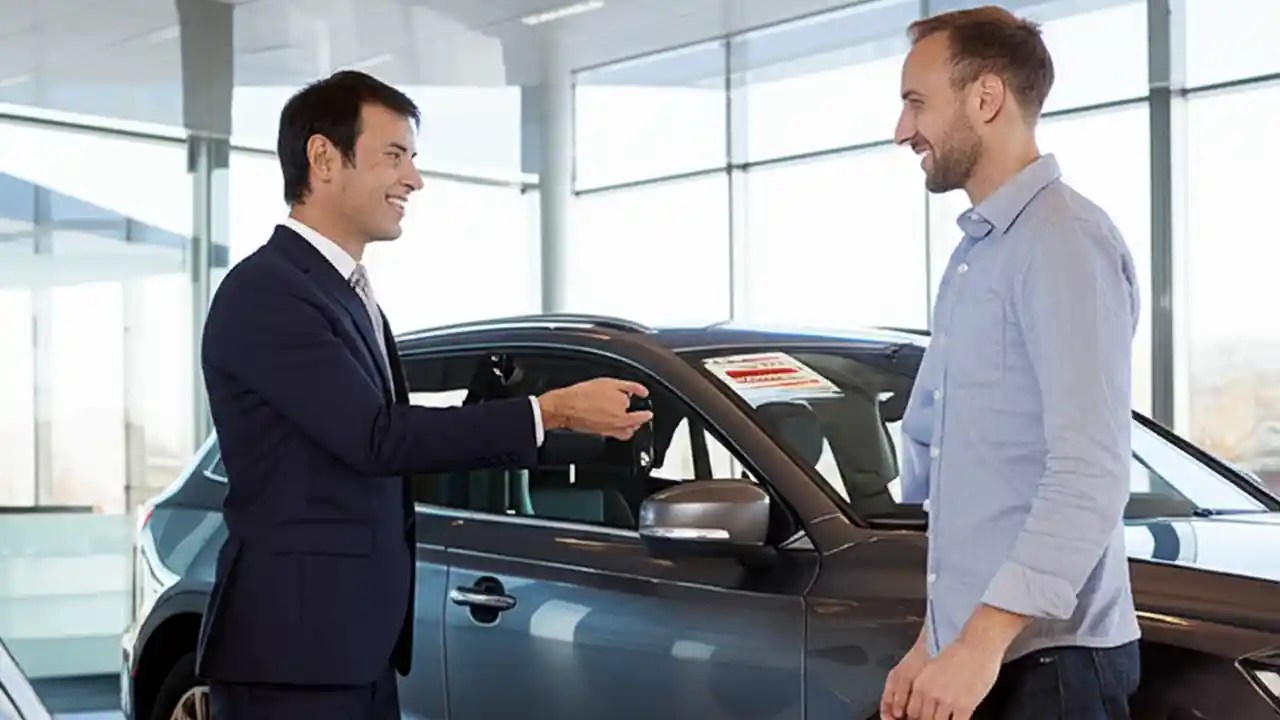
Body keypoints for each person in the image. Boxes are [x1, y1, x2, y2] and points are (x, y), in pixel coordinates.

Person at [195, 70, 654, 719]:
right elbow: (377, 437)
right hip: (294, 655)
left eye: (412, 159)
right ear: (323, 158)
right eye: (395, 156)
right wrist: (550, 409)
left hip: (354, 647)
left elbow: (406, 435)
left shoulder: (344, 293)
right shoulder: (267, 293)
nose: (413, 179)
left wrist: (579, 435)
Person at [879, 6, 1141, 720]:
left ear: (985, 98)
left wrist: (978, 643)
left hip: (1049, 666)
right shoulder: (979, 253)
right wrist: (938, 640)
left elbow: (1089, 470)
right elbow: (975, 473)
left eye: (916, 103)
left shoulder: (1062, 243)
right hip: (990, 654)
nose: (903, 131)